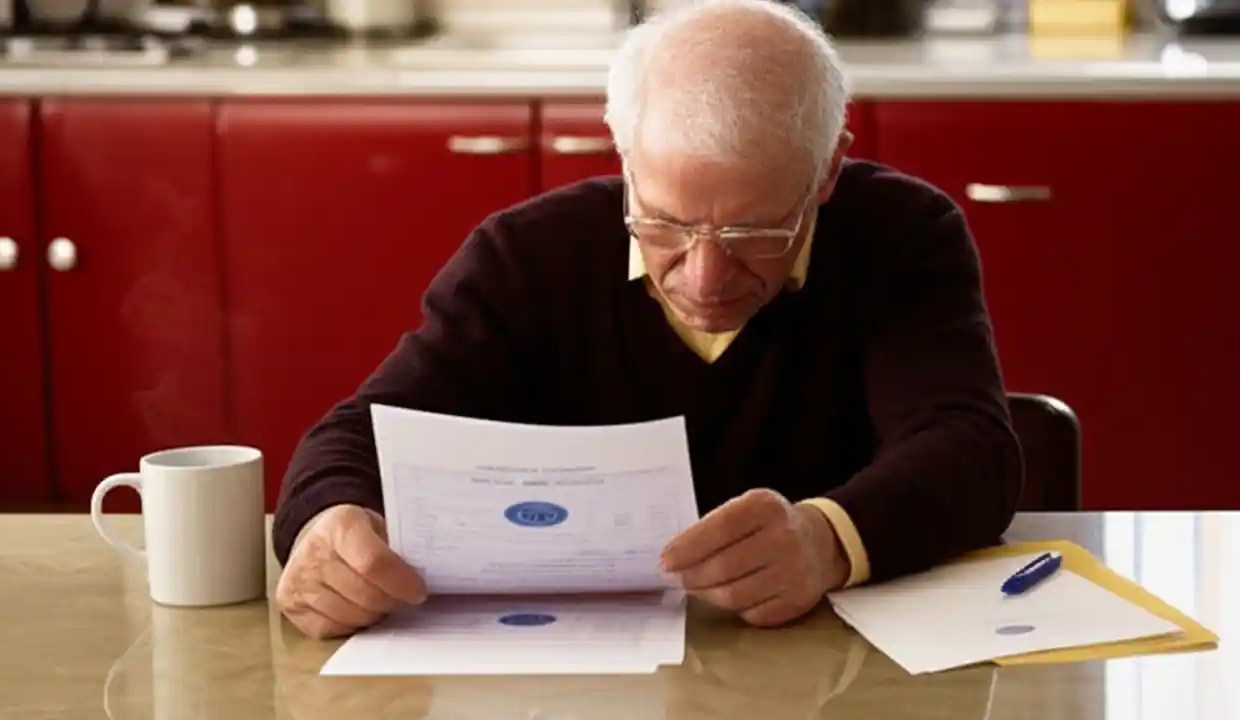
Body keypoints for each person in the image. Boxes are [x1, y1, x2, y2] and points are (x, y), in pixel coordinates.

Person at [272, 0, 1023, 640]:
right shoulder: (529, 255)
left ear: (827, 170)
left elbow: (970, 450)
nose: (703, 277)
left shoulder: (902, 234)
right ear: (627, 159)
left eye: (755, 235)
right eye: (662, 223)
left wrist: (828, 540)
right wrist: (324, 527)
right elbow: (357, 435)